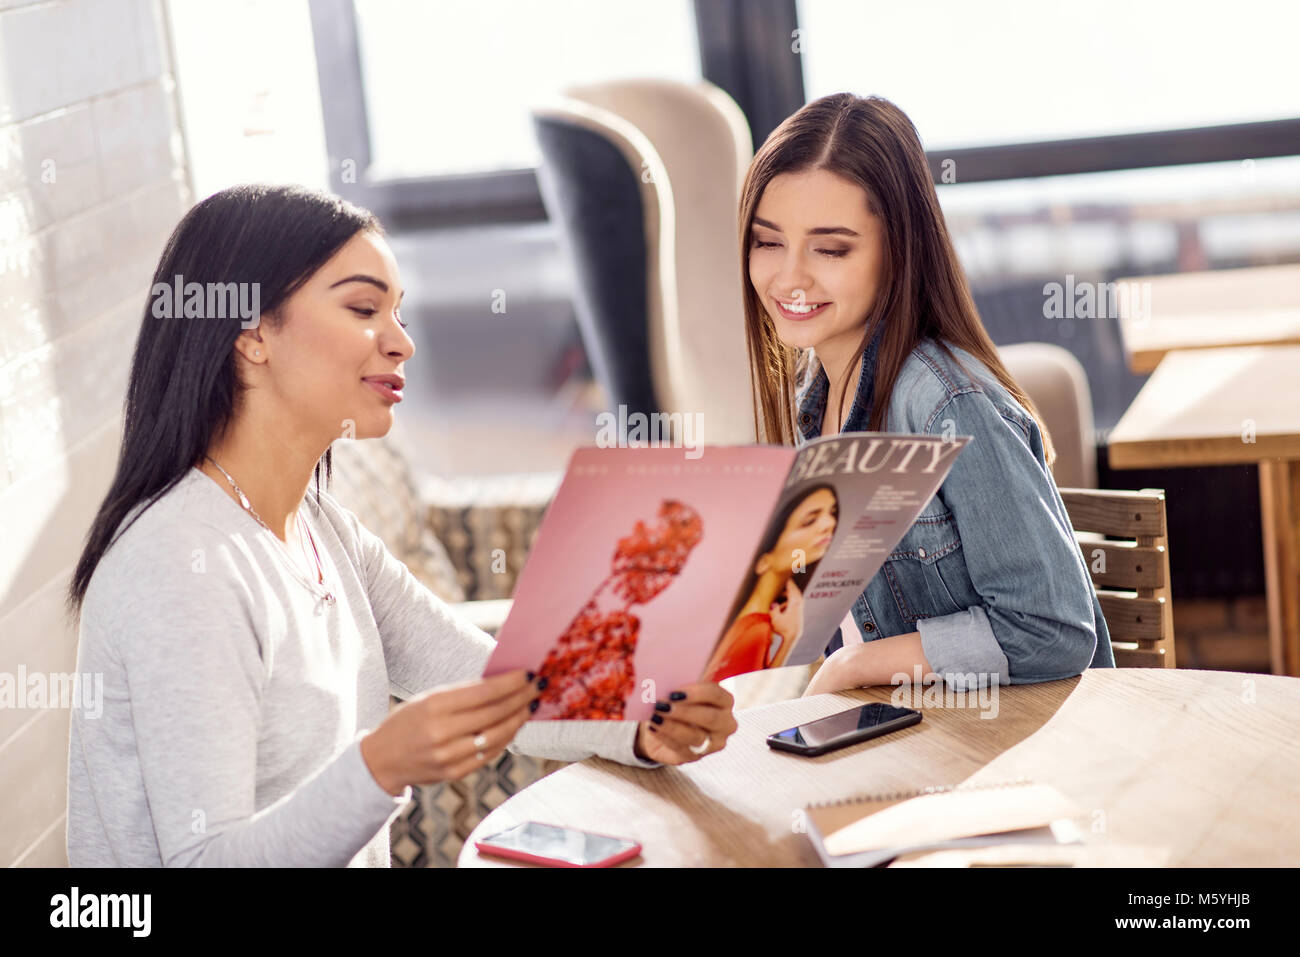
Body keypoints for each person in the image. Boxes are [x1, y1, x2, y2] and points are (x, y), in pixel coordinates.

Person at [64, 184, 738, 867]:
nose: (403, 342)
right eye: (363, 308)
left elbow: (492, 681)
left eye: (399, 313)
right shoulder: (178, 566)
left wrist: (640, 722)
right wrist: (378, 766)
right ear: (252, 334)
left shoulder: (322, 528)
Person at [733, 93, 1115, 698]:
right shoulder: (815, 395)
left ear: (899, 250)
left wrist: (856, 666)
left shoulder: (945, 402)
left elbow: (1051, 630)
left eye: (831, 248)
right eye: (767, 242)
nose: (790, 277)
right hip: (912, 741)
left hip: (1014, 757)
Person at [702, 484, 837, 681]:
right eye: (809, 521)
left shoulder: (751, 623)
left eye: (832, 513)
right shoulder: (756, 630)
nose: (828, 523)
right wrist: (790, 637)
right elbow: (752, 704)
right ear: (763, 560)